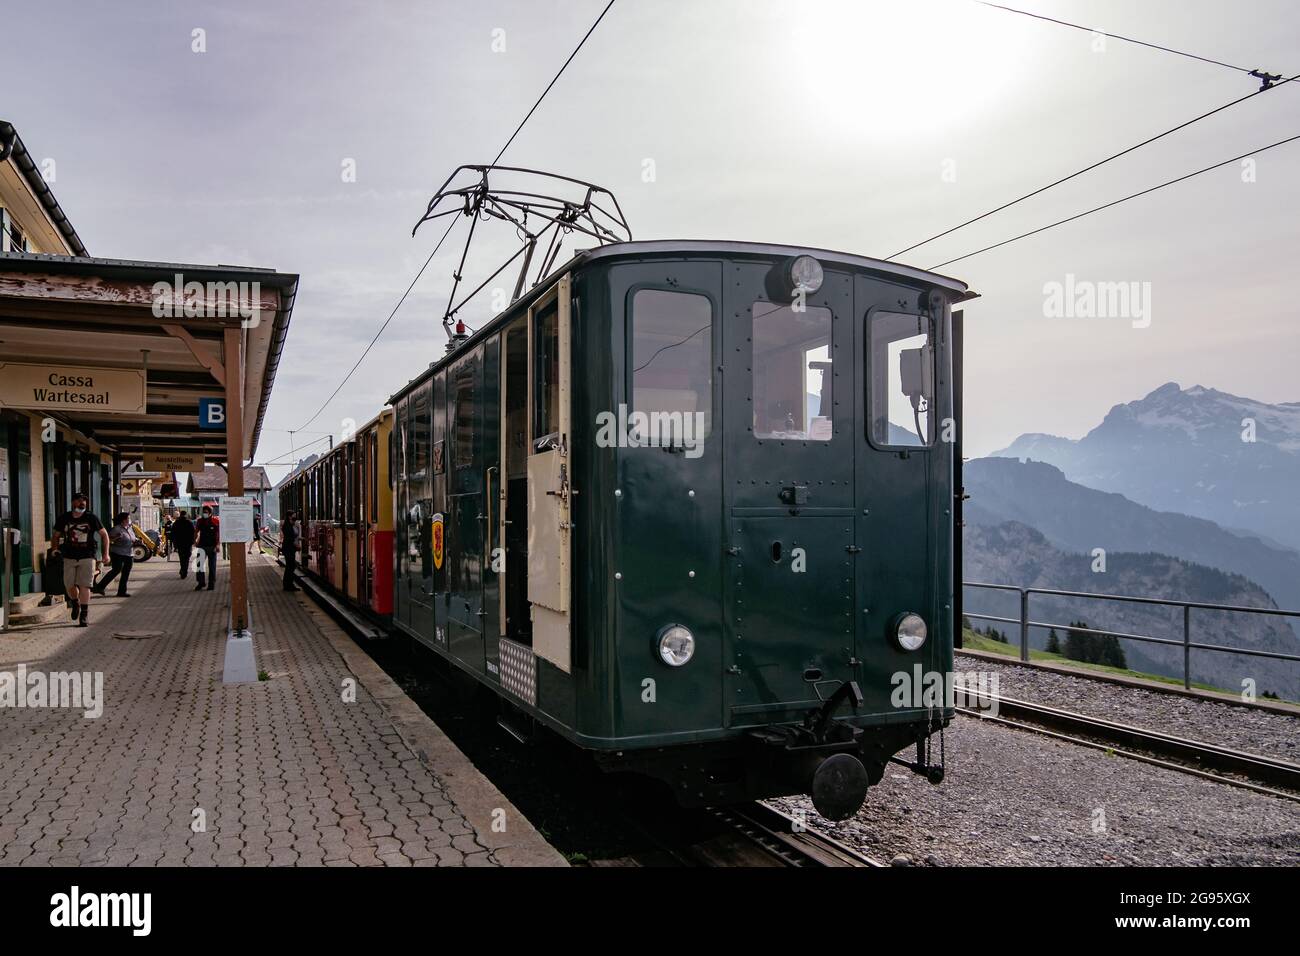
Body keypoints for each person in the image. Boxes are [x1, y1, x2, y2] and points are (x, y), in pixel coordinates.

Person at [51, 492, 110, 628]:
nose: (82, 503)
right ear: (73, 502)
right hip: (69, 555)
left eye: (84, 501)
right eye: (79, 501)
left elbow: (104, 535)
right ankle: (75, 602)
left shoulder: (91, 518)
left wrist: (106, 554)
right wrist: (55, 549)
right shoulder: (64, 518)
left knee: (85, 585)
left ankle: (84, 614)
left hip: (87, 555)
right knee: (69, 585)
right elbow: (55, 535)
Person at [92, 512, 136, 597]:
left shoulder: (130, 528)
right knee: (116, 570)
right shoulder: (117, 529)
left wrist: (135, 541)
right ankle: (100, 587)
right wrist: (117, 537)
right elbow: (109, 539)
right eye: (128, 518)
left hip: (129, 553)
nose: (129, 520)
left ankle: (122, 591)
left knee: (126, 572)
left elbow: (132, 538)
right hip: (118, 553)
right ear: (123, 520)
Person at [194, 505, 220, 591]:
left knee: (212, 566)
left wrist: (218, 545)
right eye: (204, 512)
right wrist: (195, 540)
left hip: (212, 547)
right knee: (199, 565)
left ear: (210, 513)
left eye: (206, 512)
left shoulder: (216, 521)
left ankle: (211, 584)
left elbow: (219, 534)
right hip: (201, 546)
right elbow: (196, 531)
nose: (204, 514)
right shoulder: (200, 521)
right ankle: (201, 583)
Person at [171, 511, 195, 579]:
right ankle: (184, 571)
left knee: (182, 558)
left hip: (179, 544)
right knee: (186, 558)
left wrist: (175, 544)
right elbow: (193, 532)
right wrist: (192, 542)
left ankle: (183, 570)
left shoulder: (176, 523)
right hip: (187, 544)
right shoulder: (189, 522)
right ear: (186, 515)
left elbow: (173, 534)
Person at [280, 511, 300, 591]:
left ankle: (288, 584)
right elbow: (289, 538)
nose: (295, 517)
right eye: (294, 516)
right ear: (289, 516)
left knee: (290, 566)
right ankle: (288, 585)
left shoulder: (290, 525)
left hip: (290, 548)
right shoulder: (287, 526)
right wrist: (296, 545)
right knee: (290, 567)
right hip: (289, 549)